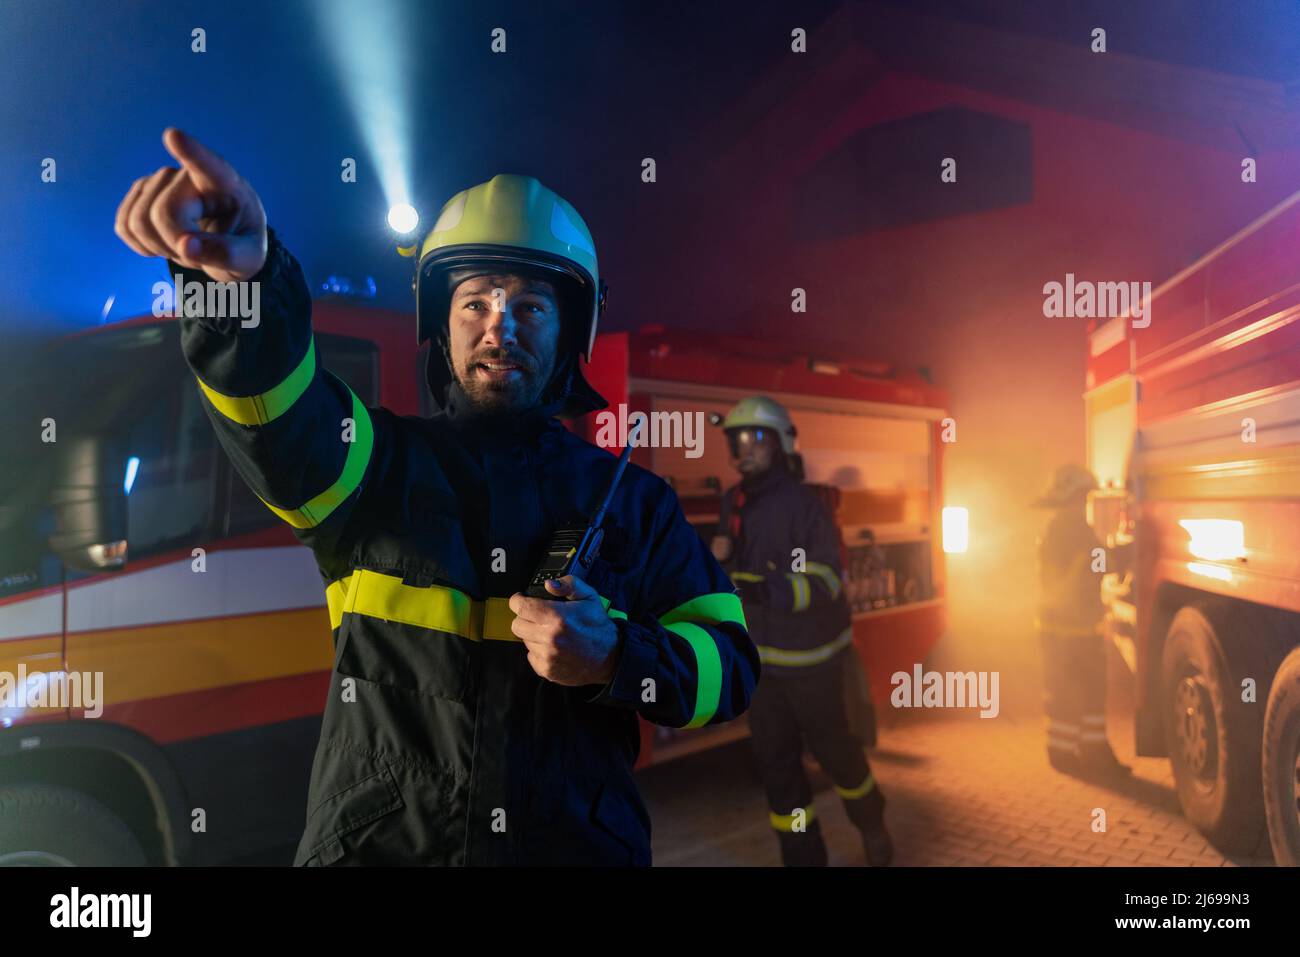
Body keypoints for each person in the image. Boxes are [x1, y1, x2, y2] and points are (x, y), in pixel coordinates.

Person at [114, 128, 760, 865]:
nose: (499, 327)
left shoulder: (637, 504)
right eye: (475, 303)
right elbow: (274, 413)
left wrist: (617, 655)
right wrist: (246, 289)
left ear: (570, 331)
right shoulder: (373, 466)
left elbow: (730, 669)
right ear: (440, 324)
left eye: (531, 307)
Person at [712, 396, 892, 866]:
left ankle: (871, 822)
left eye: (752, 439)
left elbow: (828, 579)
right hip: (760, 666)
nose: (741, 450)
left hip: (811, 662)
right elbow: (730, 570)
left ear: (780, 443)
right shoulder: (734, 500)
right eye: (735, 440)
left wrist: (763, 588)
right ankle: (803, 857)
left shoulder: (805, 506)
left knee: (837, 753)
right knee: (777, 771)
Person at [1032, 464, 1130, 781]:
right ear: (1073, 497)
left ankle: (1071, 752)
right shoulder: (1075, 530)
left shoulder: (1054, 529)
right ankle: (1086, 755)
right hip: (1076, 632)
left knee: (1064, 693)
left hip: (1057, 630)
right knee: (1087, 694)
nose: (1086, 502)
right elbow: (1101, 562)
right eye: (1083, 496)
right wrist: (1125, 553)